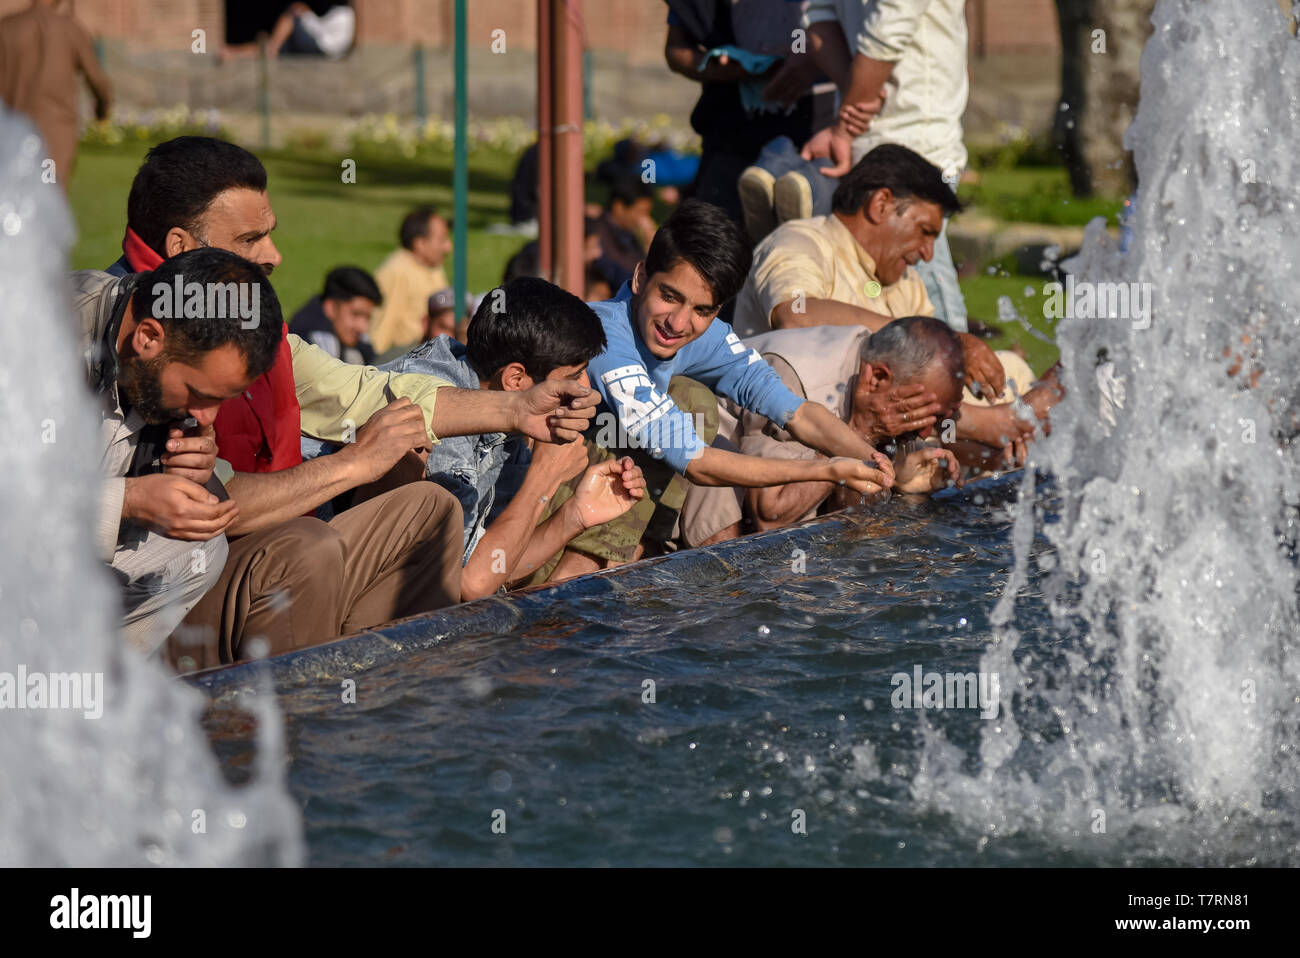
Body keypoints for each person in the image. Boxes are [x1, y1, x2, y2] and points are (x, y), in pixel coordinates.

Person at [102, 136, 601, 669]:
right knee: (308, 546)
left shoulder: (249, 324)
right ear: (180, 250)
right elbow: (219, 503)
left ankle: (404, 701)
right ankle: (307, 725)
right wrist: (356, 463)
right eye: (250, 240)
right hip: (171, 591)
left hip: (269, 555)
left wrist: (518, 408)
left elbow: (363, 392)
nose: (274, 257)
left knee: (428, 507)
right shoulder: (137, 342)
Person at [526, 199, 948, 584]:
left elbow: (796, 413)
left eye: (701, 310)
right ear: (640, 278)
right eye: (669, 296)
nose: (677, 322)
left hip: (585, 502)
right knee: (689, 406)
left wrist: (874, 460)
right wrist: (828, 469)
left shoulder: (699, 336)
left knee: (691, 402)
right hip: (526, 512)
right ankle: (564, 590)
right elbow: (699, 464)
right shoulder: (604, 337)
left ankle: (645, 563)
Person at [732, 144, 1056, 458]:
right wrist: (933, 339)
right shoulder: (802, 241)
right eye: (925, 231)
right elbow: (794, 314)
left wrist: (984, 444)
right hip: (779, 440)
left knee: (1008, 373)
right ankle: (995, 425)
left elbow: (924, 404)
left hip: (882, 445)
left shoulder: (906, 284)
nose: (928, 254)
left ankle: (1000, 439)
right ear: (881, 204)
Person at [380, 277, 648, 600]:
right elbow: (469, 584)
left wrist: (575, 515)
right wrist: (544, 477)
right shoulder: (443, 431)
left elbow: (494, 564)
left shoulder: (500, 410)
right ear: (516, 379)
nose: (586, 389)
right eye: (573, 376)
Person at [79, 248, 281, 656]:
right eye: (198, 394)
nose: (207, 415)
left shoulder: (157, 362)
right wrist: (129, 499)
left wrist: (195, 470)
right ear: (148, 337)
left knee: (199, 547)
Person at [681, 317, 967, 544]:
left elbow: (855, 527)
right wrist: (859, 431)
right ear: (877, 377)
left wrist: (900, 483)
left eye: (942, 419)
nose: (928, 431)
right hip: (686, 465)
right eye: (924, 413)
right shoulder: (798, 380)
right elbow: (771, 516)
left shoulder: (878, 380)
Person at [796, 0, 971, 329]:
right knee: (933, 311)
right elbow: (888, 28)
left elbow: (817, 14)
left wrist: (849, 110)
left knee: (880, 296)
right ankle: (961, 376)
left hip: (865, 142)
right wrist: (847, 123)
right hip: (919, 144)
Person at [664, 0, 834, 223]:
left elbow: (866, 37)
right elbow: (676, 50)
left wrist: (810, 58)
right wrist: (725, 68)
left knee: (801, 224)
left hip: (816, 126)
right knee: (713, 234)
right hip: (732, 128)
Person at [0, 0, 112, 190]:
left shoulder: (7, 27)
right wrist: (103, 109)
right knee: (49, 193)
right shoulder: (69, 29)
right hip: (54, 132)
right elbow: (98, 80)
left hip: (12, 129)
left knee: (14, 192)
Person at [369, 205, 454, 356]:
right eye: (442, 240)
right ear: (420, 243)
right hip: (402, 359)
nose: (448, 247)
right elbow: (381, 327)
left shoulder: (434, 268)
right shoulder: (396, 271)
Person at [290, 265, 380, 365]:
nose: (363, 327)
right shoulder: (314, 342)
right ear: (331, 308)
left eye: (368, 317)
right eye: (356, 314)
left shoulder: (351, 336)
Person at [222, 1, 355, 62]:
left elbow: (321, 35)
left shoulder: (344, 15)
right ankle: (232, 53)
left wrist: (306, 14)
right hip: (319, 47)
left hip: (320, 49)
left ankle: (272, 48)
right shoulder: (340, 13)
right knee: (273, 46)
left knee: (293, 12)